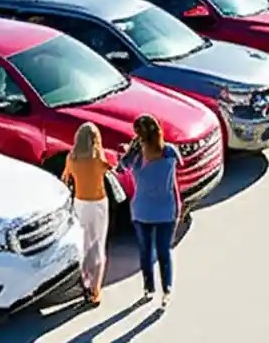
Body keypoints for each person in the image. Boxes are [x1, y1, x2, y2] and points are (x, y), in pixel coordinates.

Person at [117, 114, 182, 308]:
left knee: (145, 251)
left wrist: (128, 150)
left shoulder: (136, 157)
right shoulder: (170, 152)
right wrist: (178, 207)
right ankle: (167, 290)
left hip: (142, 211)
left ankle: (148, 288)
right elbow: (175, 180)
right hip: (167, 210)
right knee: (164, 252)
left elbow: (119, 169)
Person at [61, 123, 112, 306]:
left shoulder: (71, 158)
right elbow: (111, 168)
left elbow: (65, 178)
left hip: (80, 203)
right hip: (98, 203)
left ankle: (85, 281)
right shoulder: (98, 158)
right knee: (98, 244)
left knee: (82, 242)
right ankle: (95, 291)